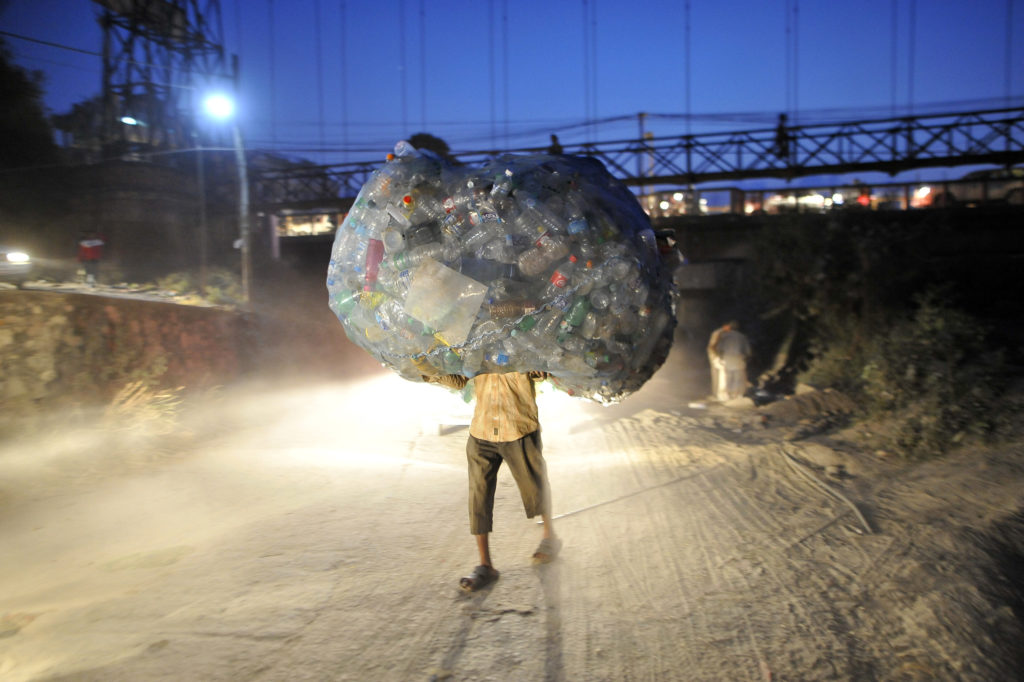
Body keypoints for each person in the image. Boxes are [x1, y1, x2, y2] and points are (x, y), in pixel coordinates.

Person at [423, 370, 559, 592]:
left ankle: (550, 536)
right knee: (479, 496)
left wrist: (537, 366)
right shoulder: (475, 342)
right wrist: (426, 369)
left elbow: (540, 370)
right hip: (482, 430)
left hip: (518, 427)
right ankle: (485, 565)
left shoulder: (519, 337)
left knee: (535, 486)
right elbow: (459, 380)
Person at [710, 321, 752, 401]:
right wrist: (745, 358)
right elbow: (748, 351)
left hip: (726, 359)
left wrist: (719, 358)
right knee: (738, 378)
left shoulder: (724, 336)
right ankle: (737, 396)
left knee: (725, 378)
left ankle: (725, 397)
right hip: (738, 359)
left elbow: (718, 349)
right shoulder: (742, 337)